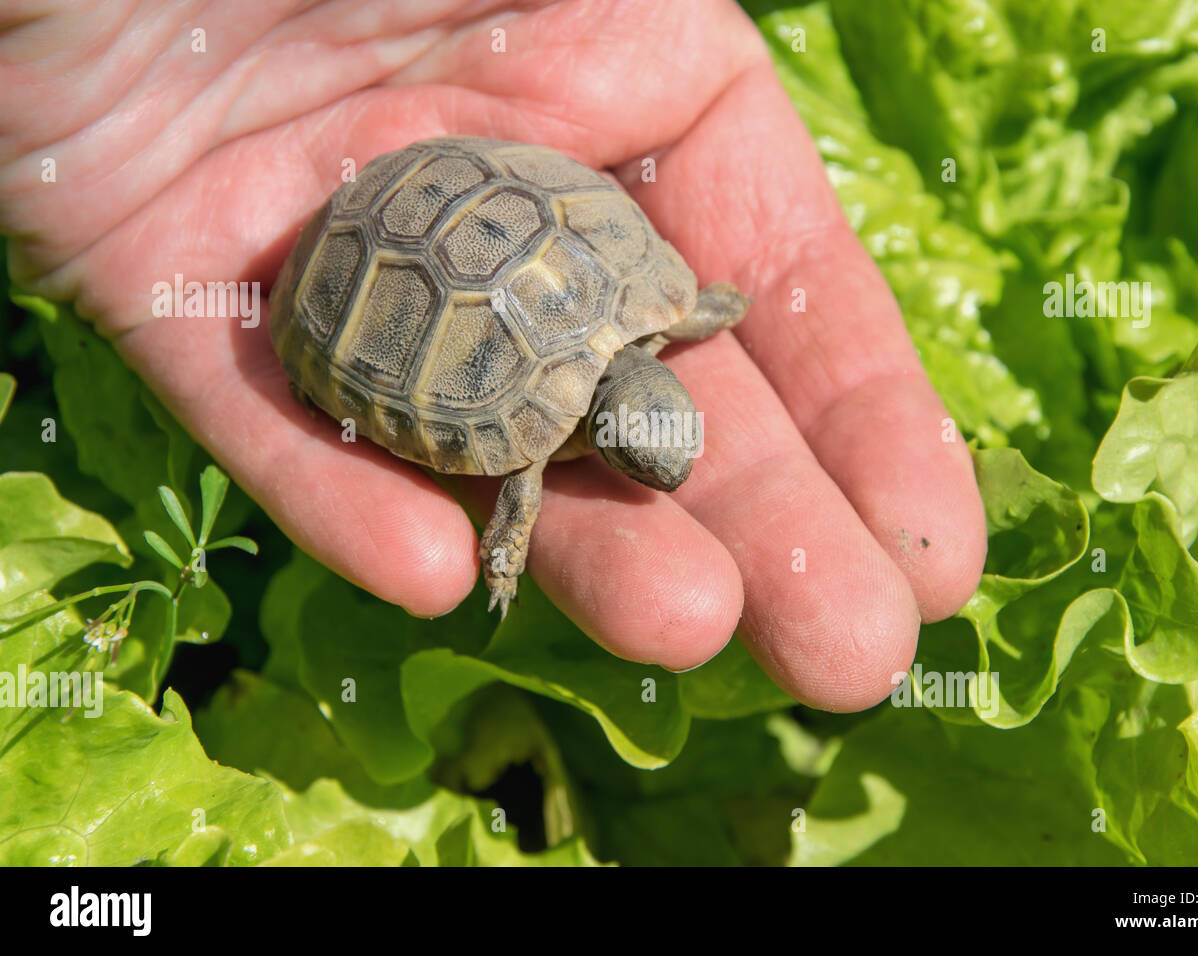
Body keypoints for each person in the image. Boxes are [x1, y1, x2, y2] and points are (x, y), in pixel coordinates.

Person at [0, 0, 986, 711]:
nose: (661, 470)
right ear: (602, 428)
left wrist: (696, 309)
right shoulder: (543, 435)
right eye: (645, 454)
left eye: (656, 453)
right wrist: (503, 553)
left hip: (481, 198)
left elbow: (672, 316)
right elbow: (519, 483)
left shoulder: (657, 320)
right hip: (368, 260)